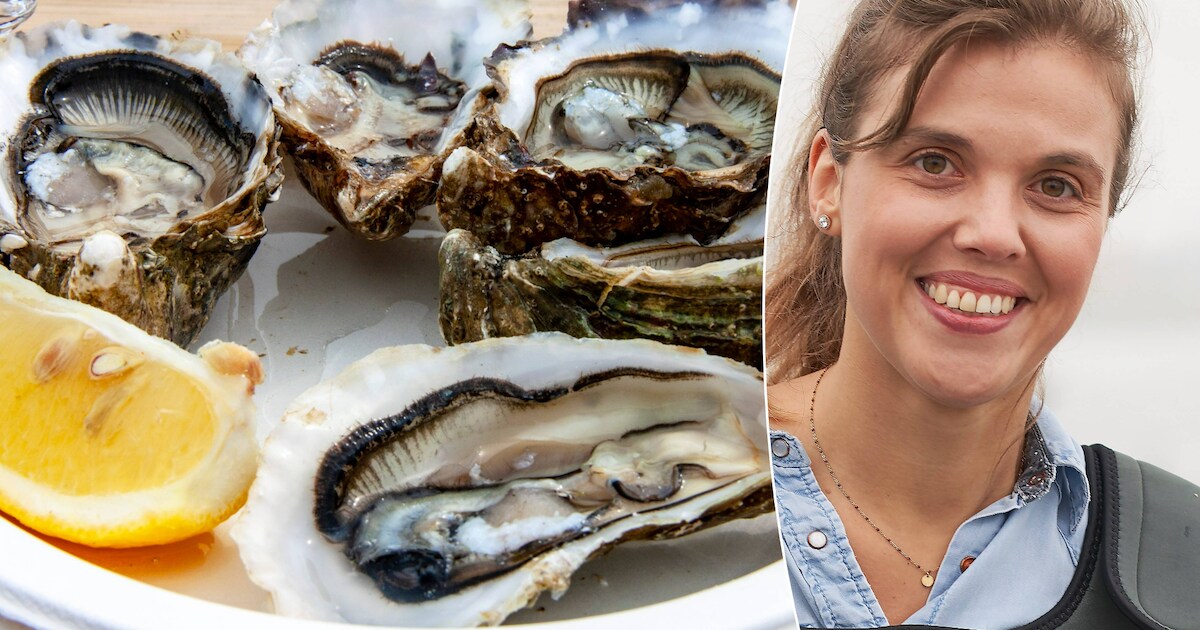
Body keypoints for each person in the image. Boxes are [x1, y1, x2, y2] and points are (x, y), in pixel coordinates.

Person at [764, 0, 1199, 627]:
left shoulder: (1181, 570)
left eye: (1056, 185)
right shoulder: (662, 500)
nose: (994, 235)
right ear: (829, 180)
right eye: (935, 162)